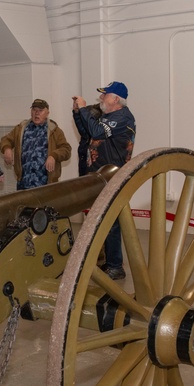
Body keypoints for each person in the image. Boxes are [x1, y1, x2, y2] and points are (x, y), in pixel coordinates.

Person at [72, 81, 137, 280]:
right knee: (100, 221)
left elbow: (98, 132)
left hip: (111, 176)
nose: (101, 98)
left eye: (105, 95)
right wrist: (77, 113)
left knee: (111, 222)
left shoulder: (122, 117)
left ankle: (116, 265)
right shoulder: (107, 117)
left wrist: (84, 108)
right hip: (98, 175)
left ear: (115, 99)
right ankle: (106, 262)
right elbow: (87, 132)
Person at [0, 99, 72, 190]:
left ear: (47, 113)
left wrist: (54, 155)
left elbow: (66, 149)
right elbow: (5, 140)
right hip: (23, 184)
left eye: (40, 110)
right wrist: (7, 149)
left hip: (46, 185)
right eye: (34, 110)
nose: (36, 113)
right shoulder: (21, 128)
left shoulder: (54, 130)